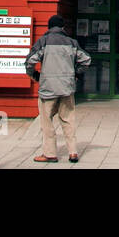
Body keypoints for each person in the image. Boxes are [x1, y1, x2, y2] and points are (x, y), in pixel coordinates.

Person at [25, 14, 92, 163]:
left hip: (48, 88)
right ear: (62, 27)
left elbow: (30, 61)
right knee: (68, 120)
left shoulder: (43, 41)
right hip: (67, 88)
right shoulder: (71, 42)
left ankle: (50, 154)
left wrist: (35, 75)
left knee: (46, 121)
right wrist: (76, 73)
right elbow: (86, 60)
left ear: (49, 27)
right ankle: (73, 152)